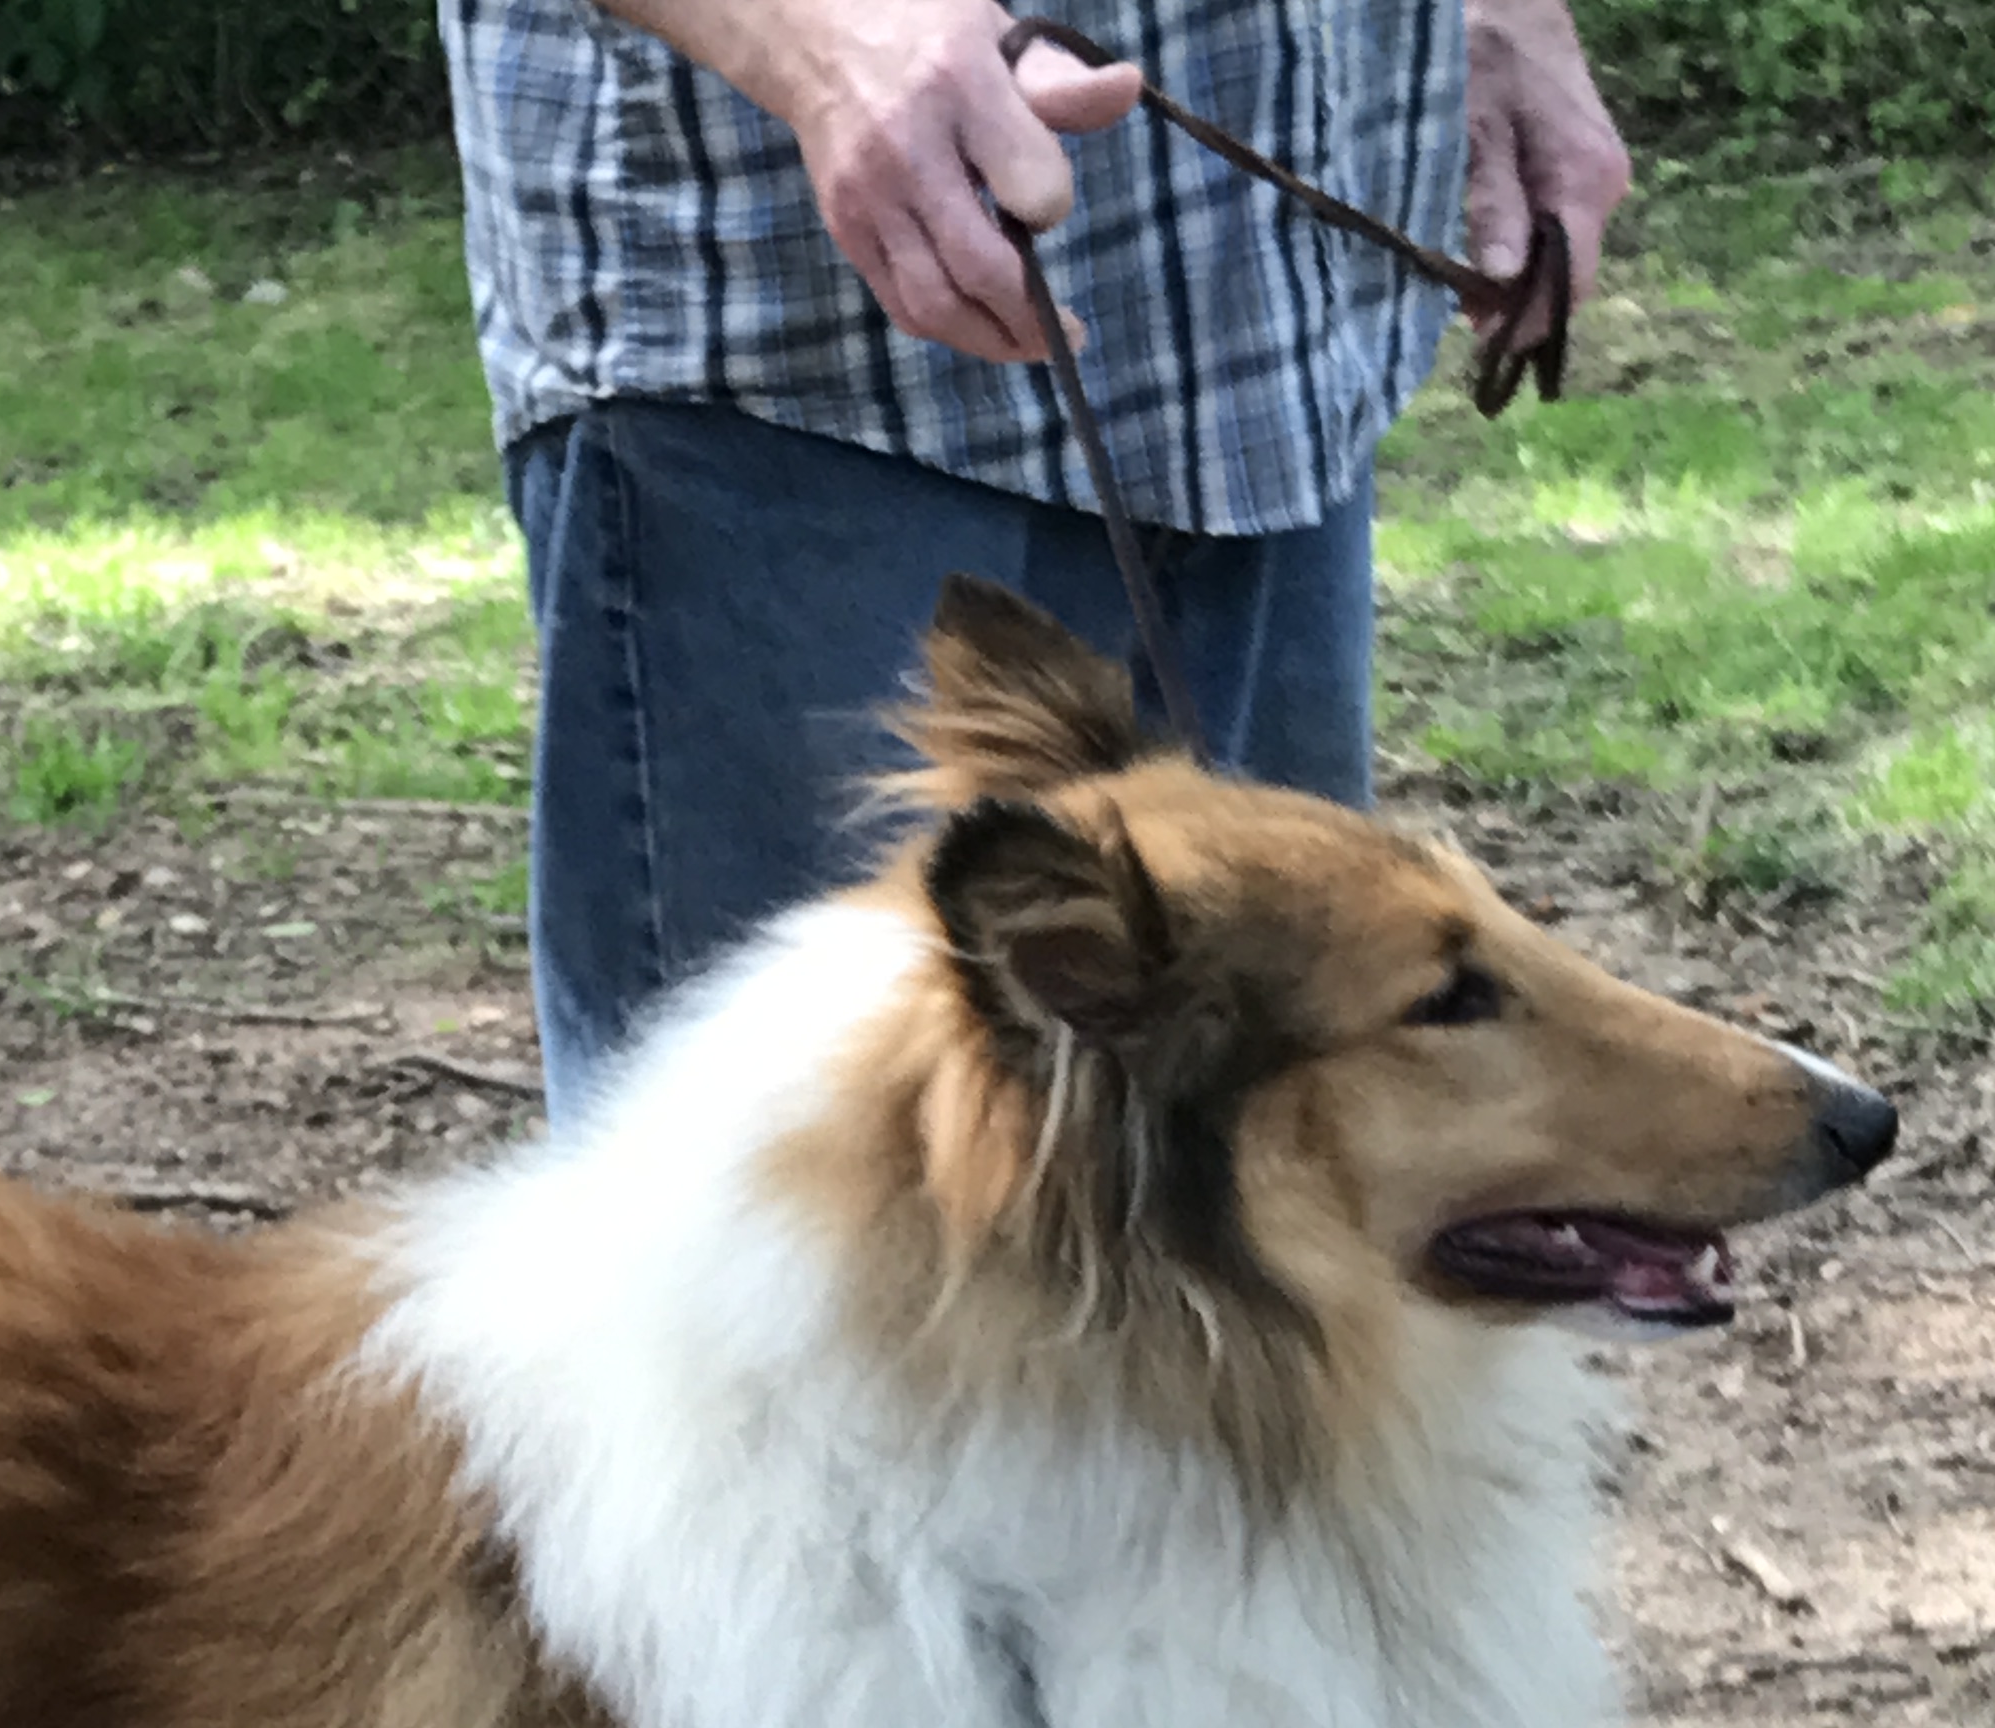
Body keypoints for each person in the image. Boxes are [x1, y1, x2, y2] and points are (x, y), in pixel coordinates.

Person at [440, 0, 1634, 1116]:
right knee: (787, 1293)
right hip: (793, 345)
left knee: (1296, 1253)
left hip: (1281, 313)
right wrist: (812, 33)